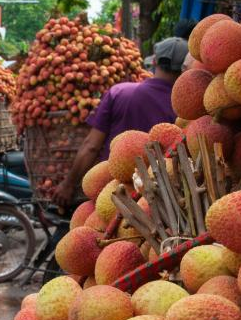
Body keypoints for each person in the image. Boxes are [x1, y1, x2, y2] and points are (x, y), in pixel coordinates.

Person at [52, 37, 187, 208]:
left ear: (154, 61)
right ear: (184, 69)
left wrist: (68, 184)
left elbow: (91, 146)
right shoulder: (183, 107)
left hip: (111, 193)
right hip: (161, 202)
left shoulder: (119, 92)